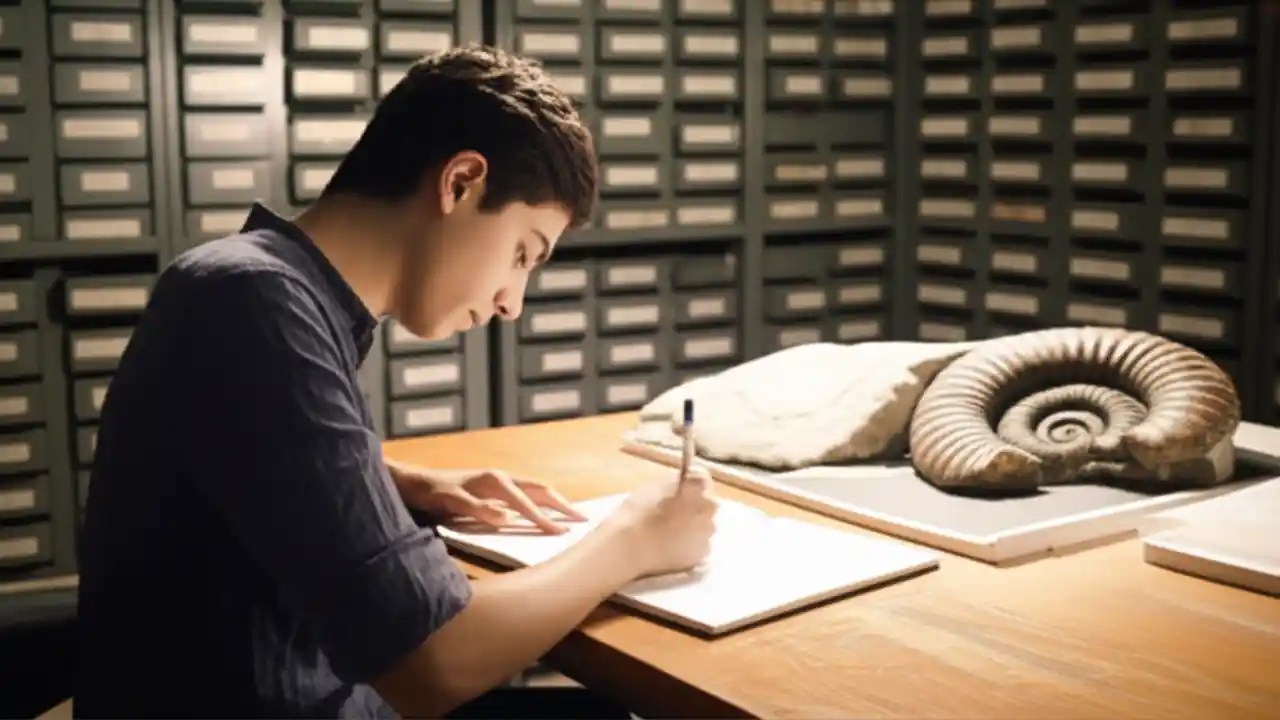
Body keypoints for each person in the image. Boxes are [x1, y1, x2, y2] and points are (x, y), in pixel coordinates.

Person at [74, 44, 718, 718]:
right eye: (523, 253)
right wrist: (634, 538)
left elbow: (252, 461)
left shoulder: (256, 284)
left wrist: (400, 484)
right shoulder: (256, 304)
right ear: (461, 182)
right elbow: (431, 663)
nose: (512, 302)